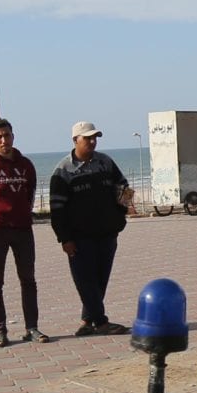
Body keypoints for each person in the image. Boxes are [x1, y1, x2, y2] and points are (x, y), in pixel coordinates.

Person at [48, 120, 132, 336]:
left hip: (107, 233)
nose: (93, 142)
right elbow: (57, 209)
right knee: (85, 281)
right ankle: (101, 322)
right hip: (79, 238)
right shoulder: (63, 171)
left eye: (95, 138)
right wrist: (64, 239)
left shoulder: (105, 163)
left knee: (100, 279)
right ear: (75, 140)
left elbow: (124, 187)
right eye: (88, 138)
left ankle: (88, 320)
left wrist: (120, 216)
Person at [0, 118, 49, 347]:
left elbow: (30, 194)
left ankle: (32, 328)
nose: (4, 140)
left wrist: (22, 215)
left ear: (13, 136)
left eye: (7, 135)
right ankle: (0, 330)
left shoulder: (25, 165)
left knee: (28, 279)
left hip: (23, 229)